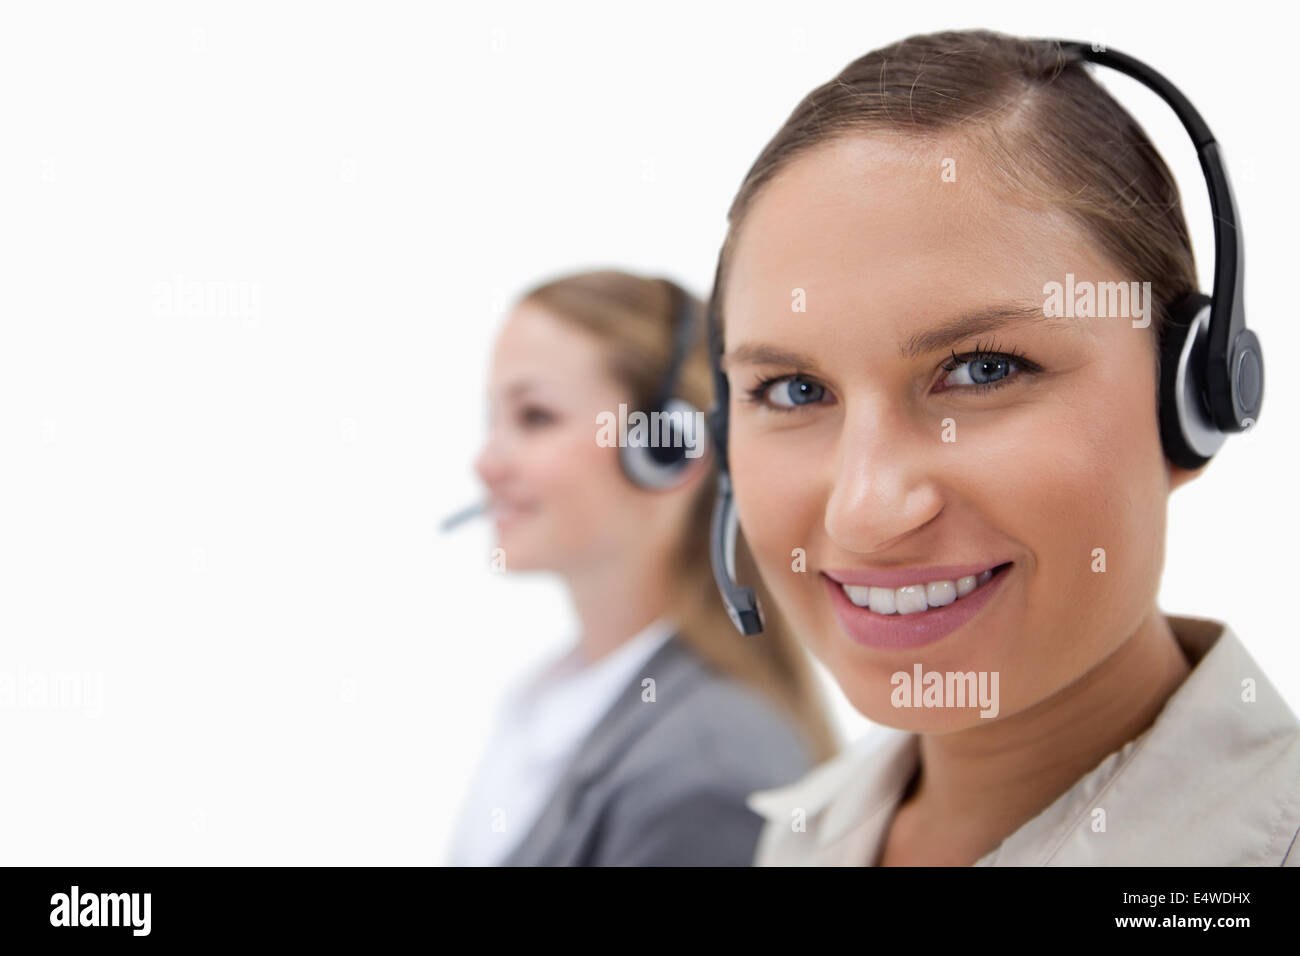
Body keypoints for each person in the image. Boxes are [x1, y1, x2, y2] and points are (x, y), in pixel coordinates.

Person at [702, 29, 1299, 865]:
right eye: (795, 391)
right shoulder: (795, 837)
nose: (867, 511)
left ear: (1195, 393)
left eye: (982, 371)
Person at [447, 268, 838, 866]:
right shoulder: (549, 698)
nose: (485, 463)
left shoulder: (704, 772)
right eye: (492, 418)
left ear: (667, 449)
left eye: (534, 417)